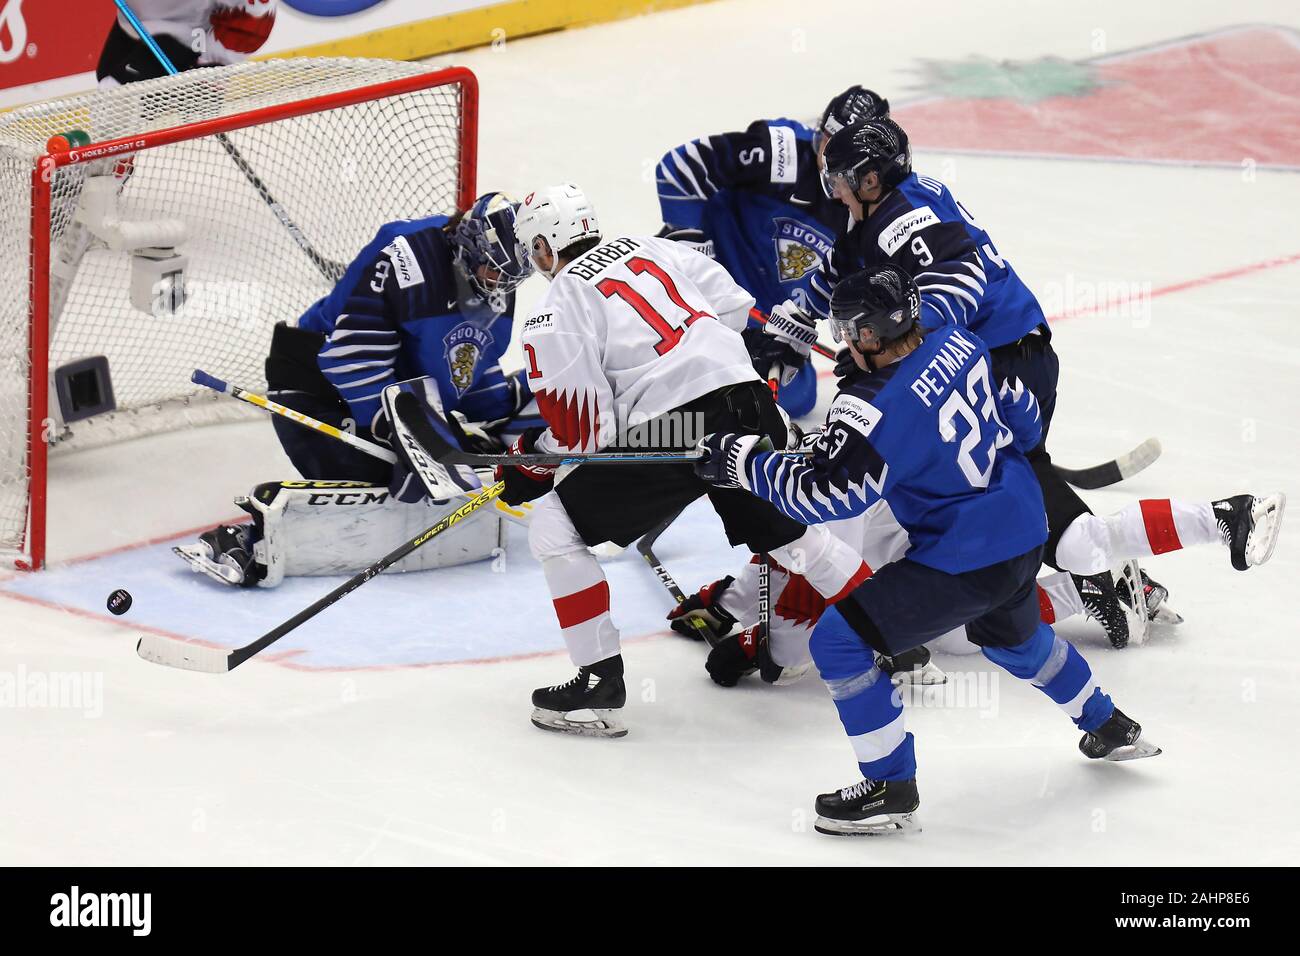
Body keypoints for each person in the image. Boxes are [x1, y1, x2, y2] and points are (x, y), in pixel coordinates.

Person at [693, 264, 1169, 835]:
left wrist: (742, 460)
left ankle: (890, 786)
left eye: (849, 331)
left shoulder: (868, 409)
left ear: (870, 335)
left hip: (964, 559)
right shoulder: (958, 340)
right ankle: (1108, 723)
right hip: (1023, 531)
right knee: (1016, 643)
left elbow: (827, 495)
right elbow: (1022, 414)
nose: (842, 340)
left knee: (839, 644)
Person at [807, 117, 1286, 645]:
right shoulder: (895, 205)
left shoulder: (902, 222)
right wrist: (793, 322)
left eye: (840, 181)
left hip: (1000, 361)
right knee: (1020, 496)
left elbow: (961, 278)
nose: (835, 192)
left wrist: (904, 340)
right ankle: (1137, 570)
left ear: (870, 181)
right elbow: (841, 271)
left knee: (1035, 516)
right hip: (1012, 353)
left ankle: (1150, 555)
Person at [498, 183, 872, 738]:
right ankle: (892, 635)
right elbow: (735, 308)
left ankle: (599, 684)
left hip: (679, 428)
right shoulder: (654, 247)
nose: (537, 264)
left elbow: (586, 433)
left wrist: (532, 459)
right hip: (748, 397)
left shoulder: (554, 309)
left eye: (535, 251)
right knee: (794, 541)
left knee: (554, 524)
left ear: (547, 247)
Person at [177, 192, 540, 587]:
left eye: (513, 274)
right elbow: (350, 360)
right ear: (468, 245)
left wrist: (504, 417)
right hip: (315, 386)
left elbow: (465, 365)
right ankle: (250, 539)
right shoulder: (408, 256)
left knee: (457, 463)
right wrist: (405, 436)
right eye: (493, 269)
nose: (500, 283)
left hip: (400, 394)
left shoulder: (499, 278)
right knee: (388, 473)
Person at [655, 86, 890, 417]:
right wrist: (694, 251)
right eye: (828, 141)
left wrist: (868, 344)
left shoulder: (873, 207)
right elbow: (681, 167)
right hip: (699, 286)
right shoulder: (784, 152)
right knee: (655, 358)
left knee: (796, 396)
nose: (832, 159)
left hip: (761, 319)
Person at [98, 0, 279, 87]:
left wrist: (208, 68)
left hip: (186, 40)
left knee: (115, 94)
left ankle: (109, 162)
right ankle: (116, 160)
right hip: (131, 21)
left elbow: (254, 26)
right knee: (107, 77)